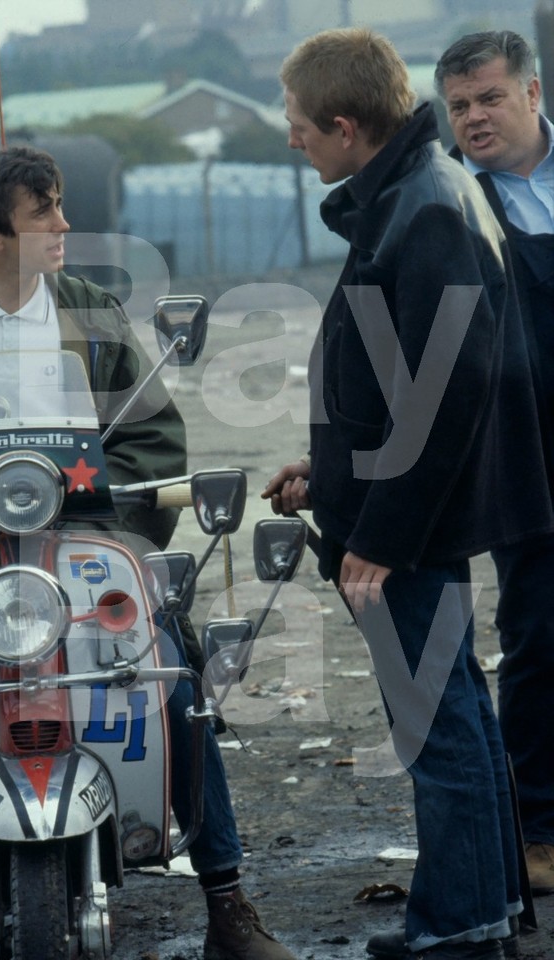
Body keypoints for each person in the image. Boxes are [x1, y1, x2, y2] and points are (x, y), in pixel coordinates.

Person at [0, 146, 296, 960]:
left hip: (84, 542)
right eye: (44, 212)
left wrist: (114, 508)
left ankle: (227, 901)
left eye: (61, 205)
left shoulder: (91, 313)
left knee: (174, 684)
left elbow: (149, 428)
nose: (65, 224)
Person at [264, 27, 554, 960]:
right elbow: (397, 381)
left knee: (439, 726)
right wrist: (328, 472)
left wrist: (380, 536)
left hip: (408, 530)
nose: (292, 137)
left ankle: (459, 929)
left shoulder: (421, 208)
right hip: (403, 513)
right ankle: (483, 911)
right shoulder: (412, 195)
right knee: (454, 711)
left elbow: (450, 389)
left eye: (299, 123)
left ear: (345, 126)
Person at [434, 29, 554, 898]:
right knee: (539, 636)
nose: (473, 118)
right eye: (458, 107)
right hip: (527, 457)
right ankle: (539, 828)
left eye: (488, 98)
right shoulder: (451, 203)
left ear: (532, 93)